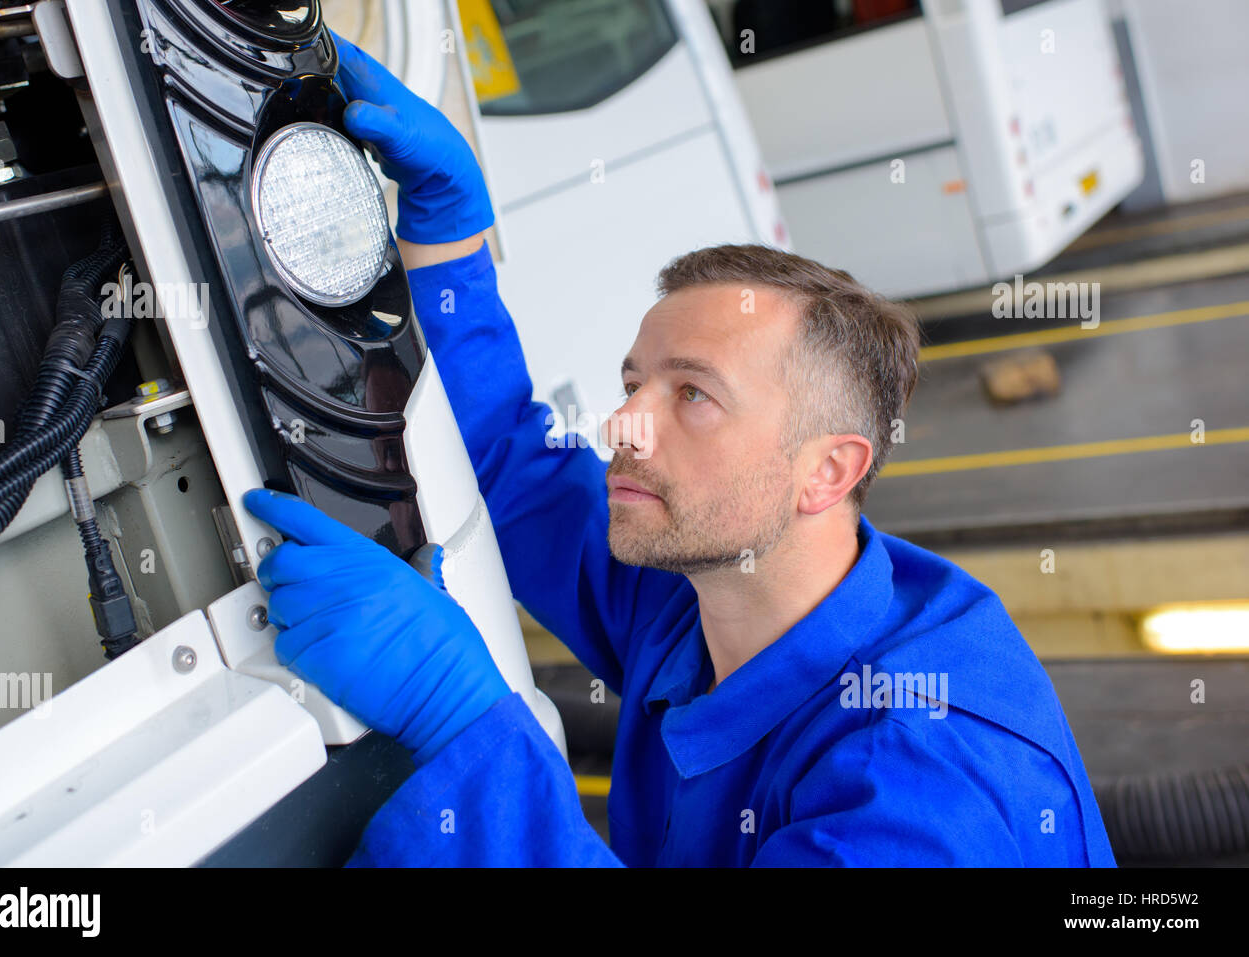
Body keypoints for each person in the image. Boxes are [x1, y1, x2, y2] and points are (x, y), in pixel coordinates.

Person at [241, 32, 1116, 867]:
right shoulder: (703, 584)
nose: (623, 425)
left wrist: (461, 722)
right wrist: (448, 232)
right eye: (633, 384)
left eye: (692, 393)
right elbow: (515, 464)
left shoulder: (926, 789)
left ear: (830, 468)